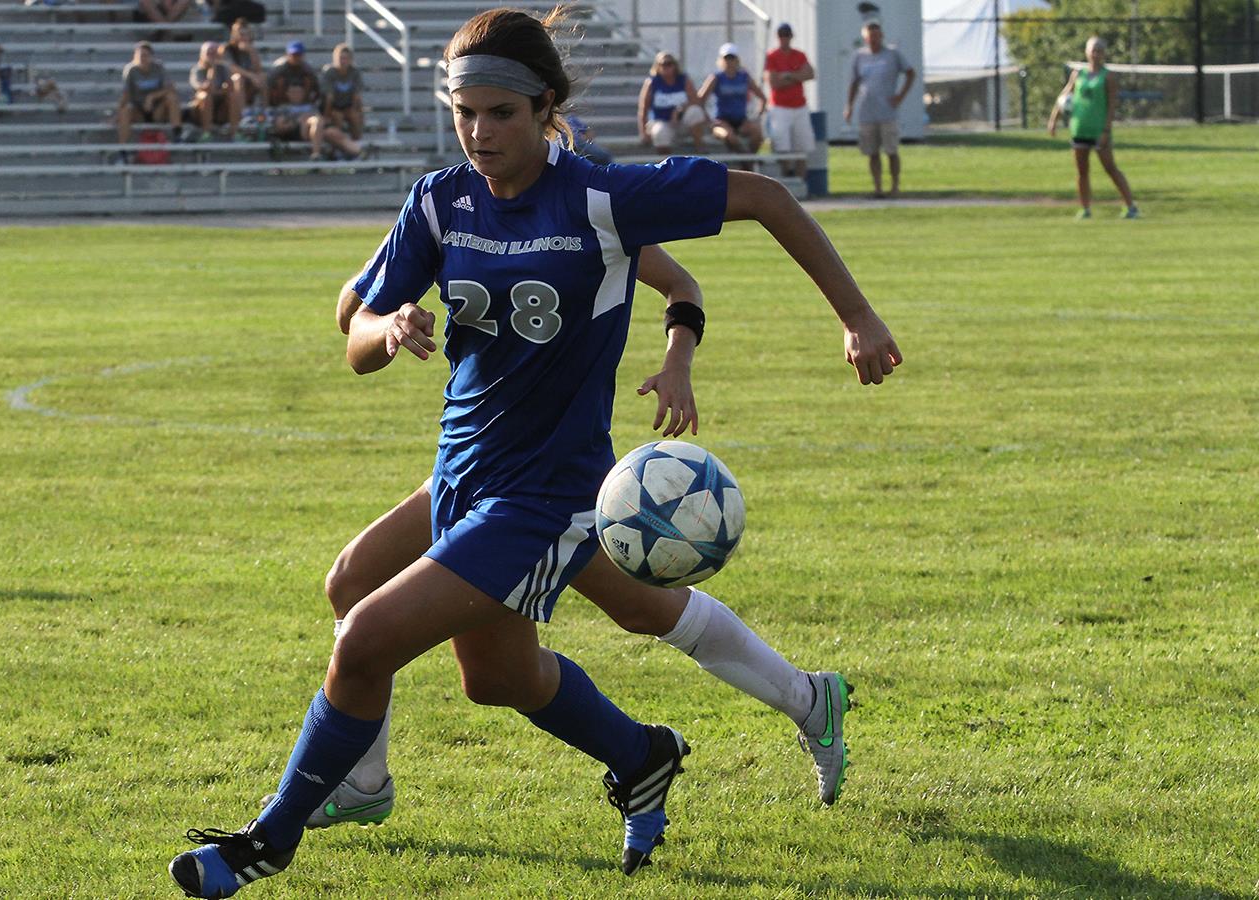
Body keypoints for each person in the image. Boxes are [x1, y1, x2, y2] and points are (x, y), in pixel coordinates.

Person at [168, 8, 901, 897]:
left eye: (501, 114)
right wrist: (387, 328)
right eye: (465, 113)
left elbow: (766, 197)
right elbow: (352, 333)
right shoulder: (439, 201)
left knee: (364, 638)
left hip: (549, 491)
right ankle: (642, 755)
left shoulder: (600, 198)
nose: (480, 133)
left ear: (545, 107)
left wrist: (854, 317)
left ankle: (266, 843)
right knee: (494, 675)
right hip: (462, 477)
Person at [281, 239, 871, 831]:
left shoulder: (589, 206)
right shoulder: (449, 205)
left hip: (553, 477)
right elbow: (349, 314)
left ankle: (802, 700)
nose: (481, 141)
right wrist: (389, 309)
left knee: (630, 614)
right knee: (356, 580)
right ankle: (363, 781)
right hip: (475, 464)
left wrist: (678, 362)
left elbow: (681, 285)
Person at [1048, 36, 1139, 220]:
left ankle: (1131, 206)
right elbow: (1064, 97)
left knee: (1110, 168)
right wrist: (1053, 120)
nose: (1096, 54)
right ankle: (1085, 208)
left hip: (1098, 130)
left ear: (1104, 54)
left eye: (1099, 50)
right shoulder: (1078, 74)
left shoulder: (1108, 77)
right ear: (1086, 52)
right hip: (1079, 129)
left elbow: (1112, 105)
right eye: (1093, 50)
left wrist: (1106, 130)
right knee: (1082, 171)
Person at [845, 21, 915, 198]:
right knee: (872, 152)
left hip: (888, 111)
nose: (873, 40)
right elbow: (854, 83)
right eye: (870, 36)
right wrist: (849, 106)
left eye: (876, 36)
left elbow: (910, 73)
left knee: (891, 150)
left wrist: (900, 96)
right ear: (865, 38)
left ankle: (895, 186)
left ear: (881, 36)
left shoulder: (892, 54)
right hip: (867, 111)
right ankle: (878, 187)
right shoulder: (859, 56)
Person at [268, 41, 359, 160]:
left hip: (316, 129)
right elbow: (279, 127)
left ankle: (359, 152)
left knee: (333, 132)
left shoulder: (310, 103)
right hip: (298, 130)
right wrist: (298, 121)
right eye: (293, 92)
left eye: (299, 91)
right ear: (287, 93)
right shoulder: (283, 108)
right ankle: (316, 154)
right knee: (316, 121)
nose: (297, 94)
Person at [764, 22, 814, 179]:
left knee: (802, 147)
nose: (784, 38)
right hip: (780, 107)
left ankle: (801, 181)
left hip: (799, 106)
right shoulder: (772, 56)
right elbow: (774, 83)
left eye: (787, 35)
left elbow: (810, 74)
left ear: (791, 36)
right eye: (781, 35)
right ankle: (786, 178)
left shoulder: (799, 55)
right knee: (782, 146)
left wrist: (789, 75)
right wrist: (797, 76)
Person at [698, 43, 766, 154]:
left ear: (737, 59)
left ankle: (749, 160)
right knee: (729, 136)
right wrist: (708, 120)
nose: (729, 61)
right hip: (721, 121)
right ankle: (748, 164)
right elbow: (700, 100)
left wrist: (757, 116)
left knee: (757, 133)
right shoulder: (716, 78)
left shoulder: (744, 76)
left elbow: (762, 97)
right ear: (721, 60)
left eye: (732, 58)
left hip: (741, 121)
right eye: (726, 58)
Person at [116, 41, 181, 154]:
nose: (142, 58)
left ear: (151, 56)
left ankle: (177, 134)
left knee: (172, 98)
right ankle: (122, 150)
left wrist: (152, 97)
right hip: (139, 110)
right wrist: (117, 115)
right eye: (139, 55)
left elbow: (171, 88)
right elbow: (126, 94)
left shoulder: (158, 67)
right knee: (125, 111)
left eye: (145, 55)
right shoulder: (131, 70)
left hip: (157, 110)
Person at [637, 50, 706, 154]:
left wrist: (680, 109)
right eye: (662, 64)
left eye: (669, 64)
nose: (666, 67)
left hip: (681, 122)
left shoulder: (683, 79)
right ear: (657, 66)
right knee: (660, 133)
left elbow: (695, 101)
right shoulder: (652, 83)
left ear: (674, 66)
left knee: (696, 112)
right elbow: (643, 109)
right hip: (661, 121)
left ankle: (699, 149)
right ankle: (668, 164)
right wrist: (643, 132)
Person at [189, 41, 242, 139]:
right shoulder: (197, 70)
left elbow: (230, 88)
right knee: (205, 97)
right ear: (202, 55)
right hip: (200, 111)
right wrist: (212, 69)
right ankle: (206, 133)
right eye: (209, 53)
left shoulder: (223, 68)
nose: (212, 56)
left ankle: (235, 132)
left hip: (220, 110)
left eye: (214, 53)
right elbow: (207, 88)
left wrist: (221, 90)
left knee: (233, 96)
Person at [319, 43, 365, 142]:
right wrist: (326, 115)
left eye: (346, 58)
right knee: (337, 117)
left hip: (348, 105)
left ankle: (357, 143)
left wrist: (358, 112)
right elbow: (329, 97)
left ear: (350, 60)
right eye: (340, 58)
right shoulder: (329, 72)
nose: (343, 61)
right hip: (333, 107)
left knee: (355, 117)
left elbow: (356, 96)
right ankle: (339, 145)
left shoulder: (355, 72)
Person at [222, 18, 265, 111]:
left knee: (263, 77)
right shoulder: (226, 49)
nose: (242, 37)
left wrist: (252, 52)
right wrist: (251, 76)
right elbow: (232, 68)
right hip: (228, 83)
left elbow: (258, 70)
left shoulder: (251, 49)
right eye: (240, 34)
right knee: (238, 78)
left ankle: (265, 112)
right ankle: (243, 113)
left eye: (245, 34)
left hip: (249, 81)